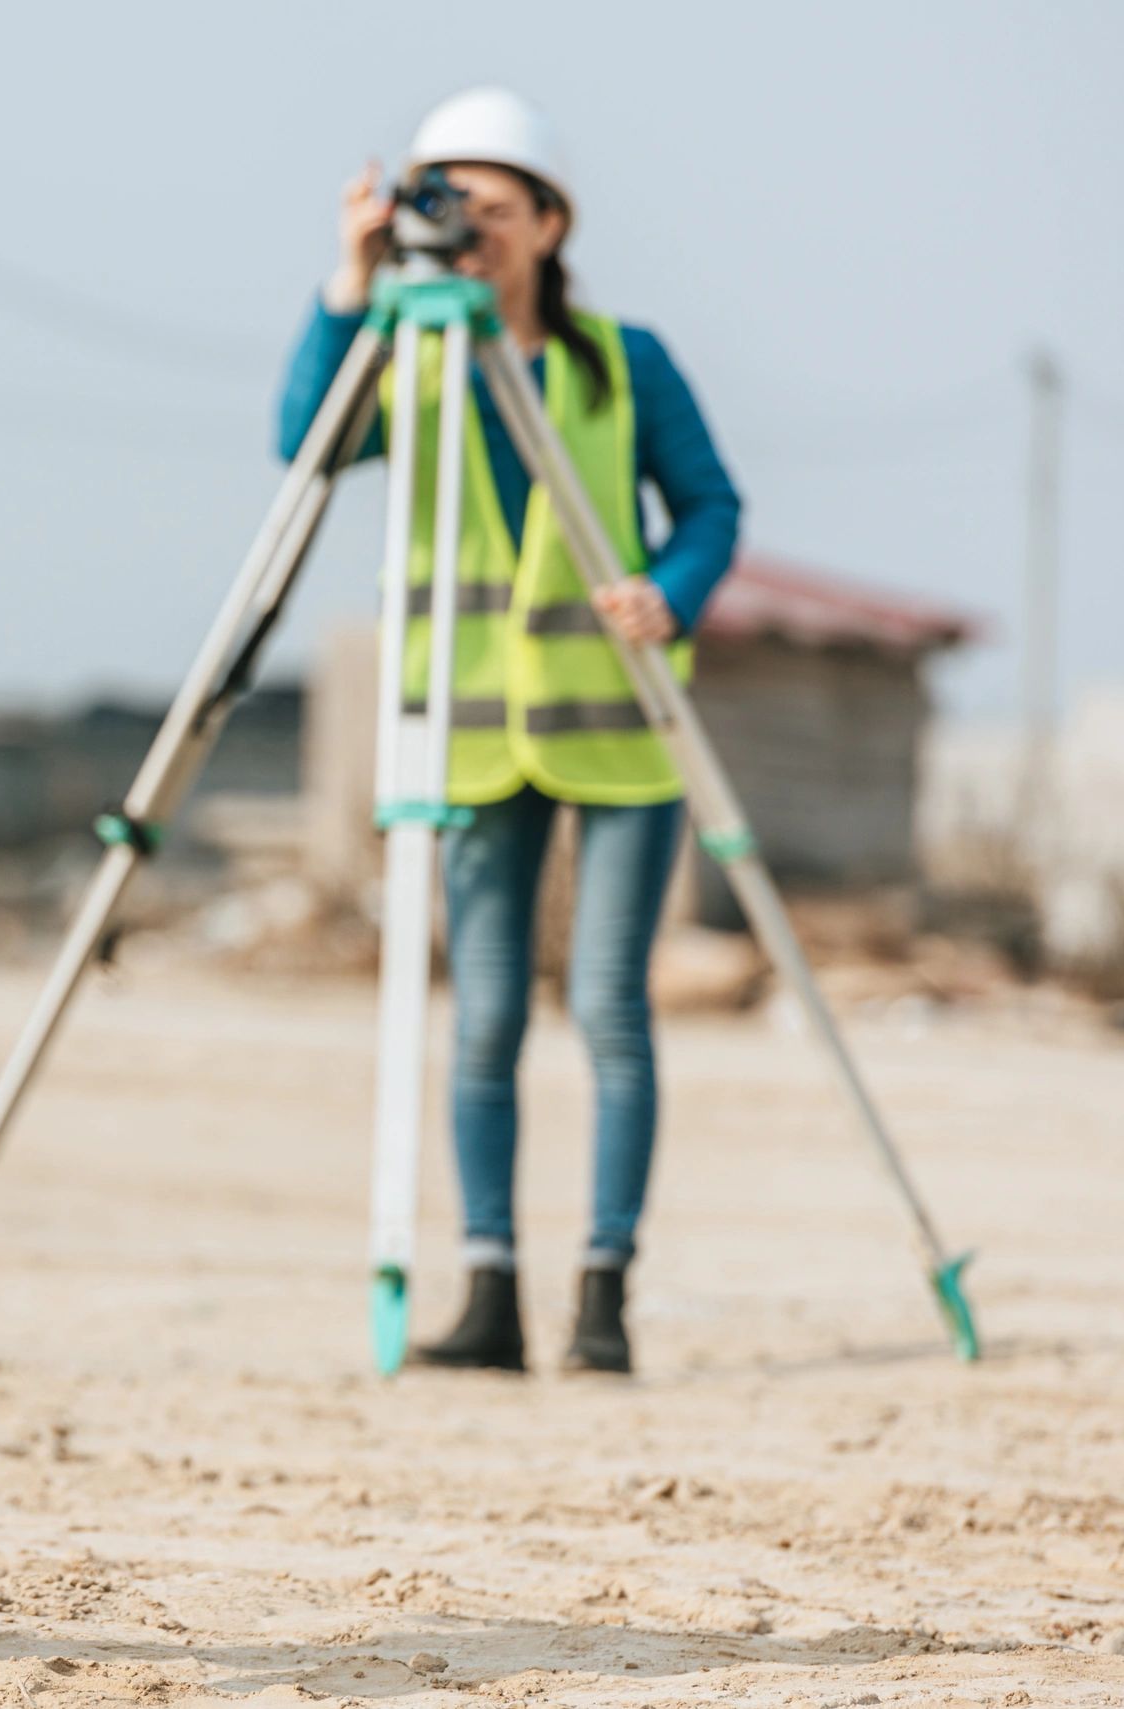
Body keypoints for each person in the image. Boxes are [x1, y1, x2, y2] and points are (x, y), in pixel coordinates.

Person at [276, 89, 741, 1377]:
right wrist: (350, 282)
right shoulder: (405, 349)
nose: (471, 227)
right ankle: (488, 1294)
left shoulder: (622, 360)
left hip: (617, 729)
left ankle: (604, 1296)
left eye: (497, 204)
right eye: (448, 201)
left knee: (608, 1009)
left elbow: (709, 505)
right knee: (483, 1020)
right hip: (470, 734)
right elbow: (300, 449)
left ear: (549, 223)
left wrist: (675, 588)